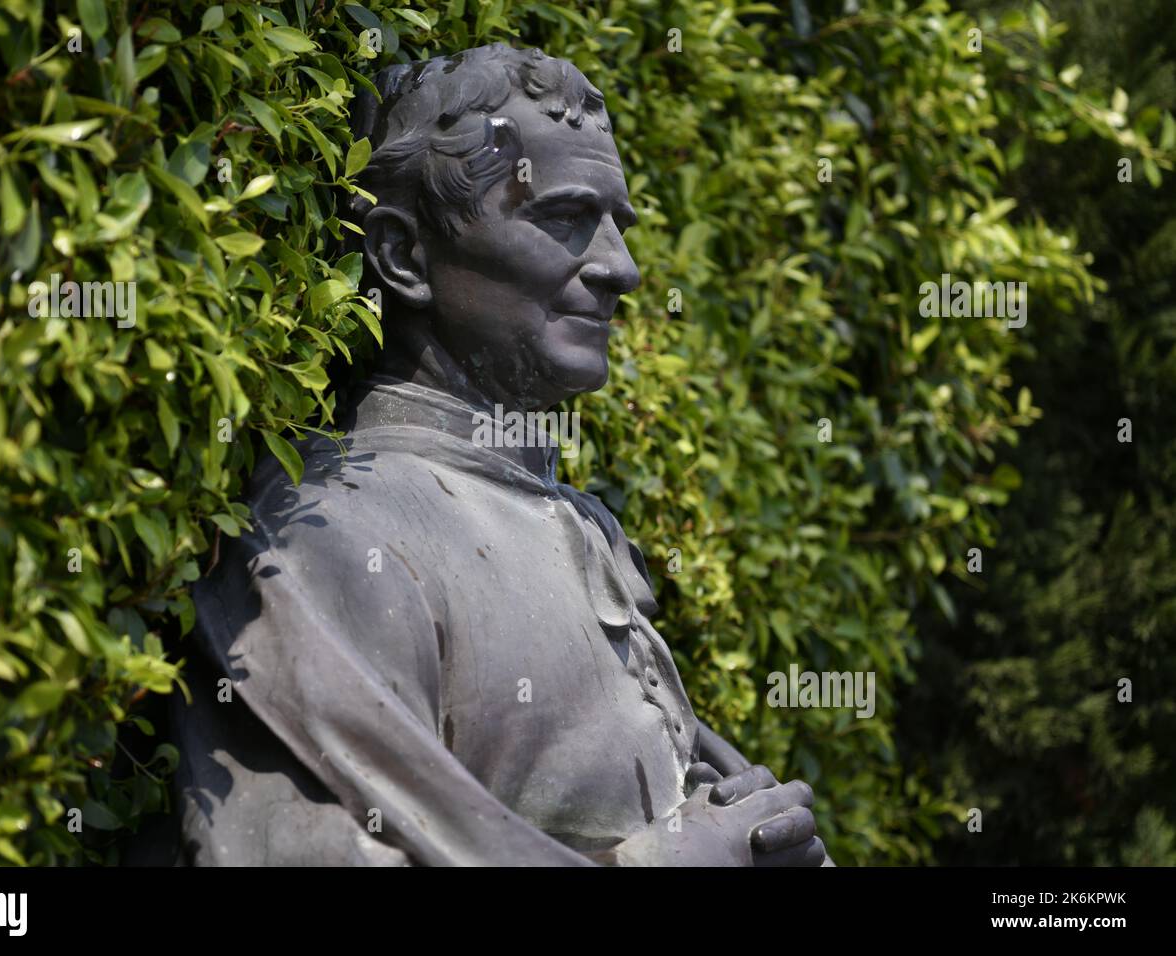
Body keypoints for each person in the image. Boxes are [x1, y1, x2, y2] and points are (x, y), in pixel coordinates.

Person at [154, 43, 830, 866]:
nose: (623, 268)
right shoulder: (332, 535)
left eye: (619, 223)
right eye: (563, 218)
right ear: (404, 257)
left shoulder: (576, 523)